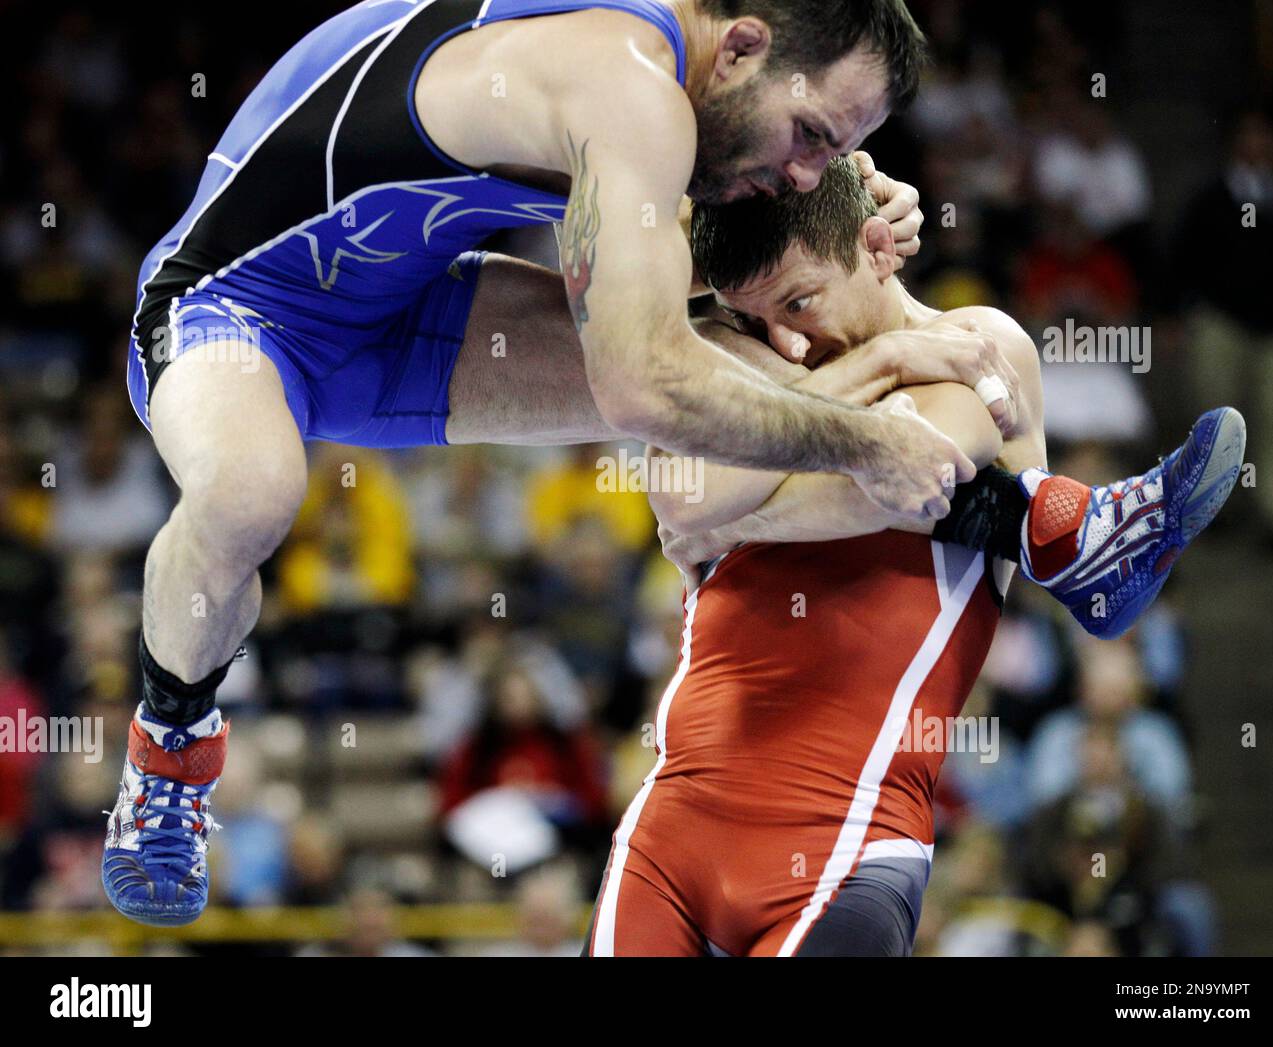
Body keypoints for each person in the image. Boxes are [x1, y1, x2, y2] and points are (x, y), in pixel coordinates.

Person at [108, 0, 1019, 927]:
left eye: (836, 151)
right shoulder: (626, 80)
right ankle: (171, 742)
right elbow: (641, 386)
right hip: (235, 303)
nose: (806, 170)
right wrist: (870, 432)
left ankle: (1042, 524)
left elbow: (701, 265)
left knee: (757, 348)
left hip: (415, 306)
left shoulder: (691, 95)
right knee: (252, 490)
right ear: (741, 45)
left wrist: (844, 210)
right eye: (813, 136)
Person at [583, 157, 1244, 955]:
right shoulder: (748, 335)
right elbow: (682, 492)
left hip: (847, 846)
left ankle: (1053, 531)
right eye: (753, 321)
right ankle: (1059, 533)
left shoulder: (973, 342)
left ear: (875, 247)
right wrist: (882, 369)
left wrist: (737, 510)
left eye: (799, 302)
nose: (787, 339)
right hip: (668, 835)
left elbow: (930, 458)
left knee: (919, 477)